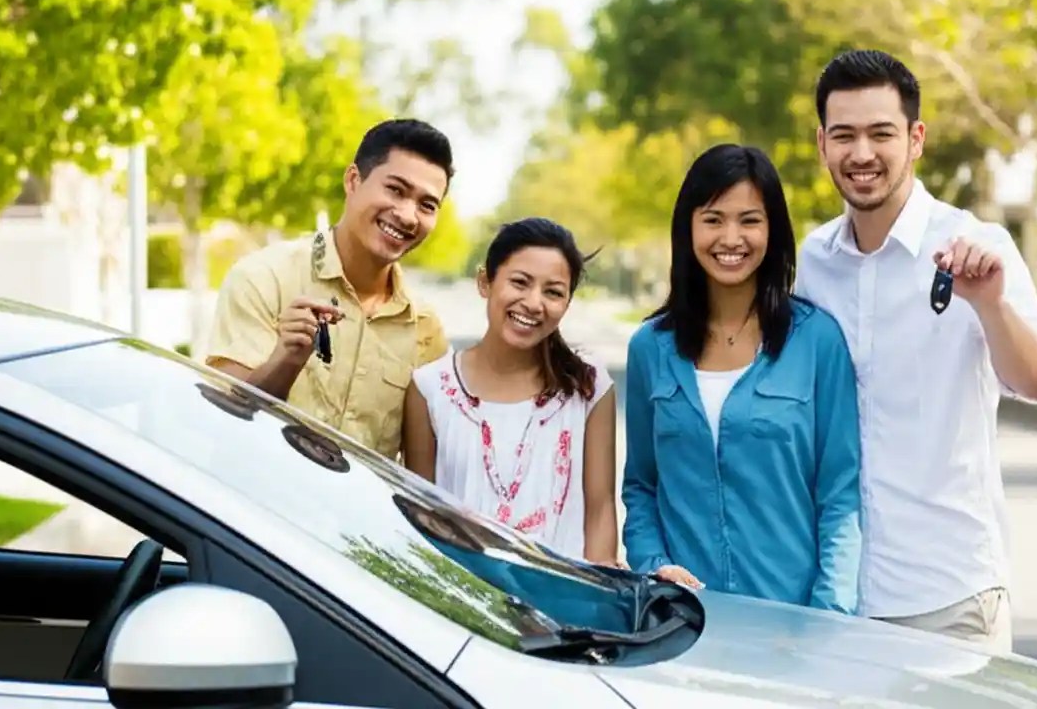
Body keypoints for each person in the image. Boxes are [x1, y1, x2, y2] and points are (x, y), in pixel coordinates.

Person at [795, 50, 1037, 651]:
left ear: (916, 139)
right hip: (835, 596)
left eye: (881, 133)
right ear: (822, 144)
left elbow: (1036, 379)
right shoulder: (813, 262)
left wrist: (990, 304)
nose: (862, 153)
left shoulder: (976, 244)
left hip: (949, 596)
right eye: (844, 135)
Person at [622, 143, 862, 615]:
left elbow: (840, 496)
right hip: (682, 623)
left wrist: (829, 616)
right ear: (687, 226)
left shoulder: (817, 341)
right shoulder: (650, 348)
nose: (731, 237)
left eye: (749, 220)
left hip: (796, 624)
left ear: (773, 230)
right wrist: (653, 564)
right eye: (713, 219)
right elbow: (641, 486)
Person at [205, 118, 454, 461]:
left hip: (354, 515)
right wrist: (286, 360)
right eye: (395, 190)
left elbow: (420, 473)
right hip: (251, 508)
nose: (408, 215)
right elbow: (222, 417)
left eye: (427, 205)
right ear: (353, 180)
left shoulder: (425, 328)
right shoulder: (264, 278)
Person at [401, 218, 619, 565]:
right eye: (520, 282)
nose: (534, 303)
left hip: (564, 604)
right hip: (461, 602)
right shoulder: (430, 389)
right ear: (485, 282)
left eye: (553, 292)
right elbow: (423, 516)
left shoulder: (588, 387)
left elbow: (600, 510)